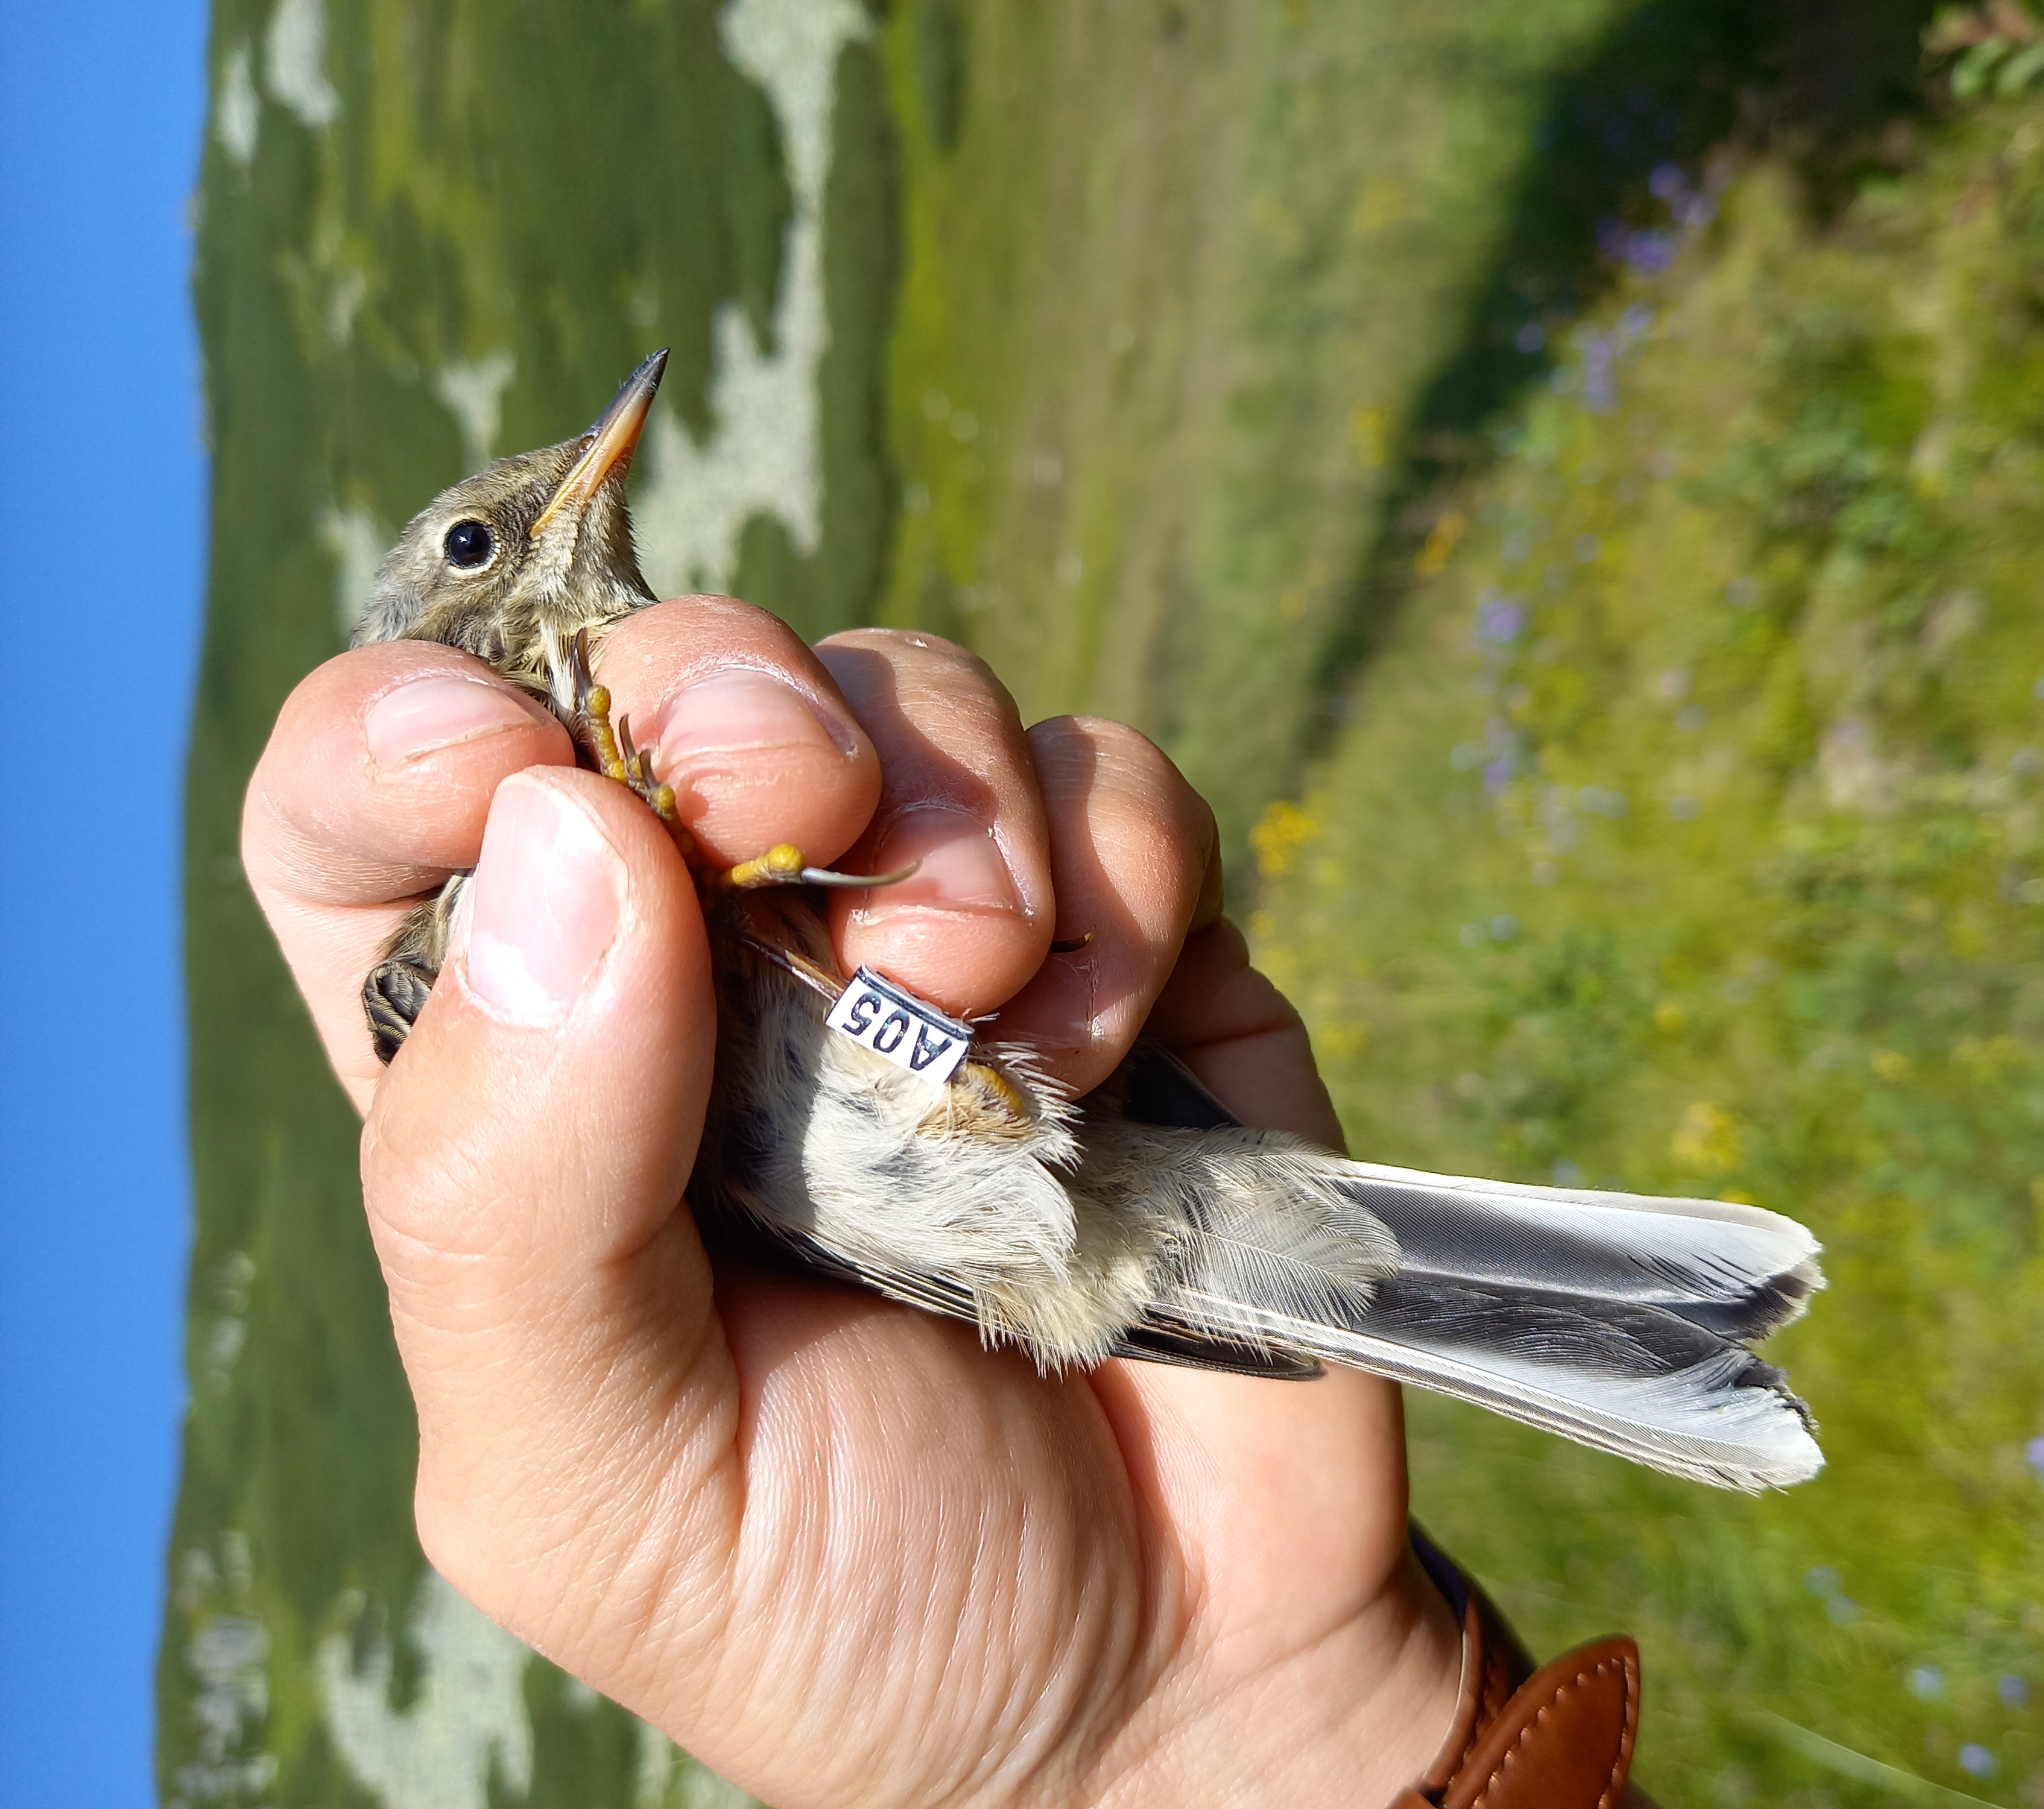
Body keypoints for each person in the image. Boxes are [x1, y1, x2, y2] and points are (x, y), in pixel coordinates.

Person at [244, 595, 1647, 1807]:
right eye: (485, 548)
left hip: (989, 1151)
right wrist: (1111, 1747)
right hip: (927, 1214)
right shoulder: (458, 921)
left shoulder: (640, 754)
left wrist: (1269, 1720)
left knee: (915, 919)